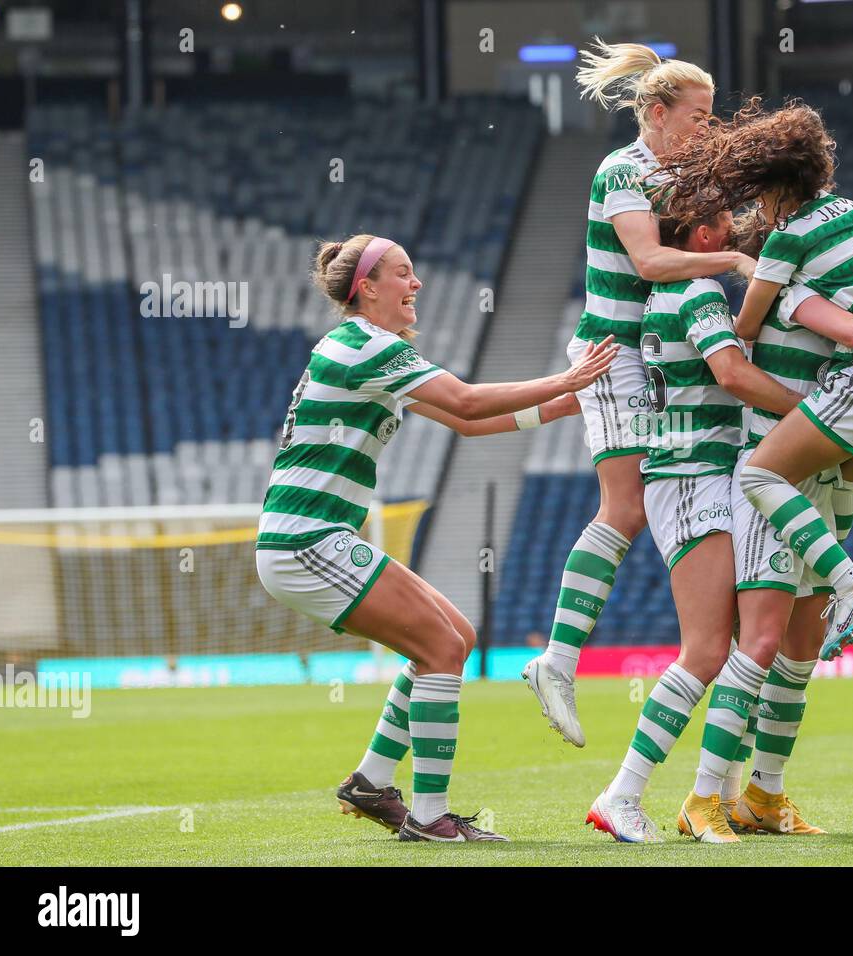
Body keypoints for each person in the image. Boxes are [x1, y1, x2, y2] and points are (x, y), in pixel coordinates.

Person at [255, 234, 616, 843]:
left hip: (313, 538)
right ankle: (429, 817)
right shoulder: (365, 346)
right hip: (305, 541)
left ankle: (372, 782)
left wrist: (562, 405)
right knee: (441, 652)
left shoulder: (365, 347)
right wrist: (568, 378)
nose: (416, 284)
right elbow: (468, 403)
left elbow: (464, 424)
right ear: (366, 288)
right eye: (403, 273)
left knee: (457, 639)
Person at [655, 98, 853, 661]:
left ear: (768, 187)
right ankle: (832, 596)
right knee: (835, 474)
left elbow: (756, 325)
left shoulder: (787, 242)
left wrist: (747, 284)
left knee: (761, 473)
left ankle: (847, 582)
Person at [520, 40, 755, 749]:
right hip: (616, 353)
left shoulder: (679, 170)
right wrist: (738, 259)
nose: (706, 129)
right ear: (656, 112)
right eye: (698, 116)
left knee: (651, 503)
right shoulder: (622, 171)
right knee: (623, 508)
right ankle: (557, 661)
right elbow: (651, 261)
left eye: (712, 118)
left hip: (657, 353)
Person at [586, 210, 804, 843]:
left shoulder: (665, 291)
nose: (737, 233)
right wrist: (814, 417)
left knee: (735, 648)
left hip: (695, 471)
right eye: (728, 223)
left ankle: (725, 796)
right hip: (690, 474)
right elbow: (731, 375)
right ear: (704, 235)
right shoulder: (697, 288)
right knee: (707, 650)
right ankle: (621, 794)